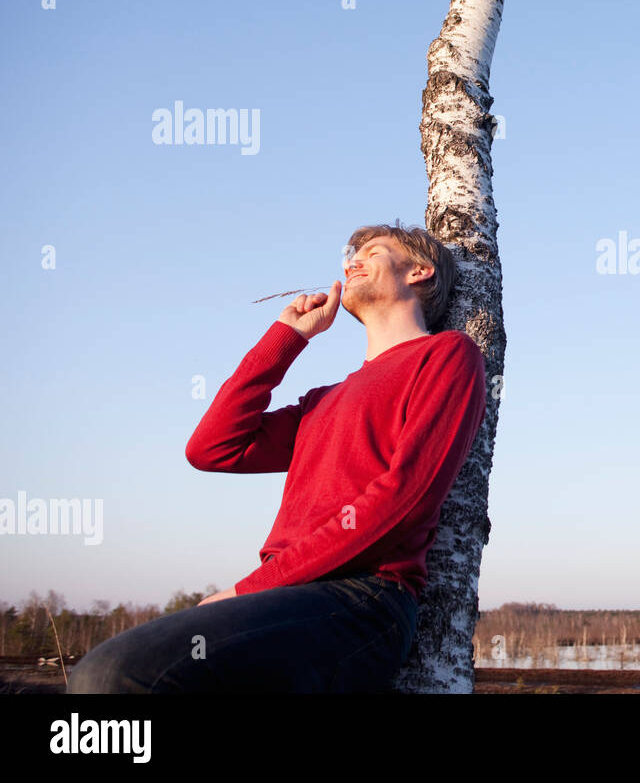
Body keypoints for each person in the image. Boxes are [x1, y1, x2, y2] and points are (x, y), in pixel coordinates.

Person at [67, 221, 488, 693]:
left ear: (419, 271)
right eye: (350, 254)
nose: (352, 261)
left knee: (109, 675)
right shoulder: (320, 400)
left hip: (364, 597)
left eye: (372, 251)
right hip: (288, 597)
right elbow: (211, 448)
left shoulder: (448, 355)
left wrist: (250, 588)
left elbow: (403, 500)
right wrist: (288, 336)